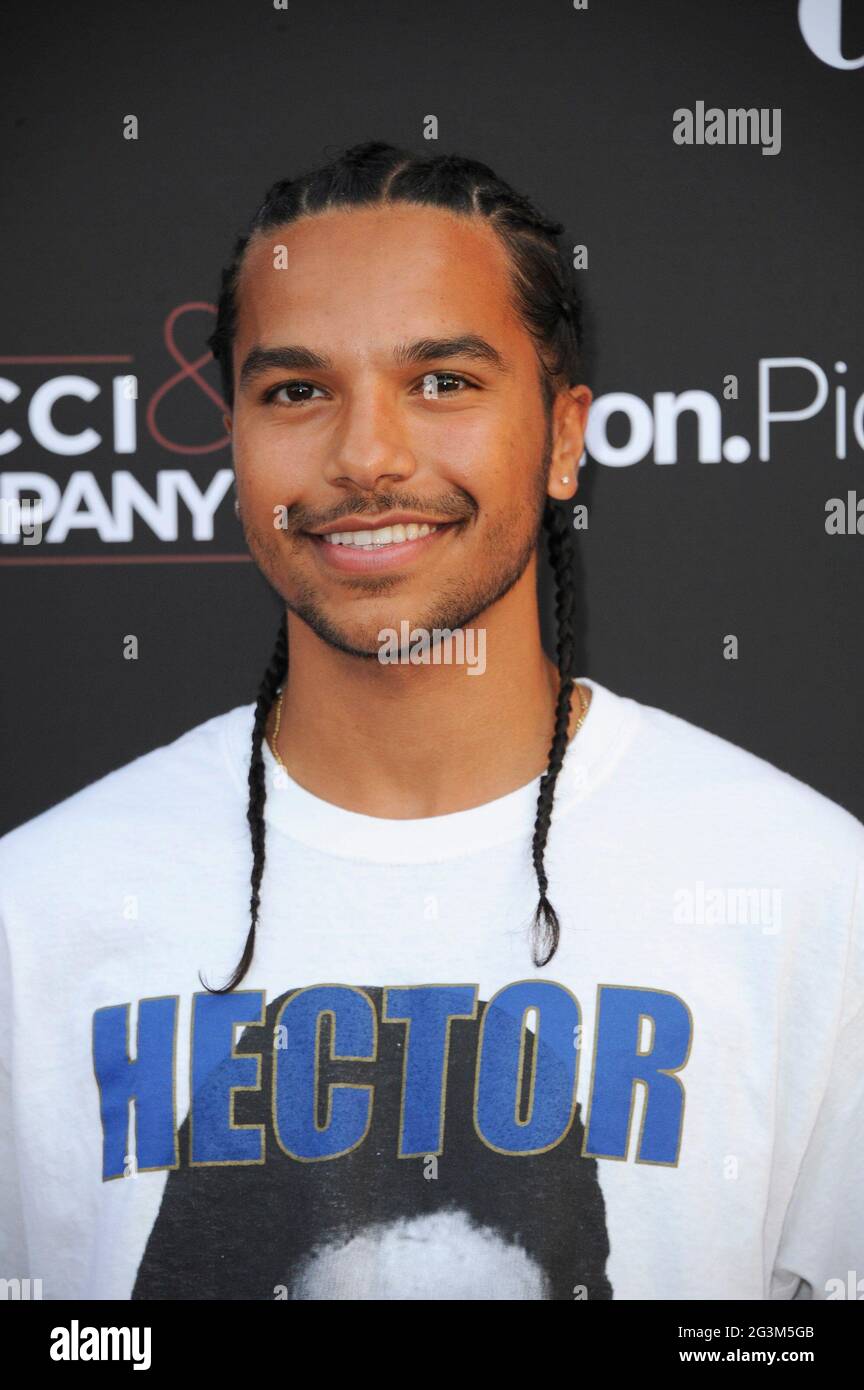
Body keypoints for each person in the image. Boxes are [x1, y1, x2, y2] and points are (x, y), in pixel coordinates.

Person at [1, 141, 861, 1302]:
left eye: (444, 381)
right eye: (297, 391)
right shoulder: (34, 915)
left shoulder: (813, 897)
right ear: (236, 438)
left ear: (563, 440)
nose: (367, 456)